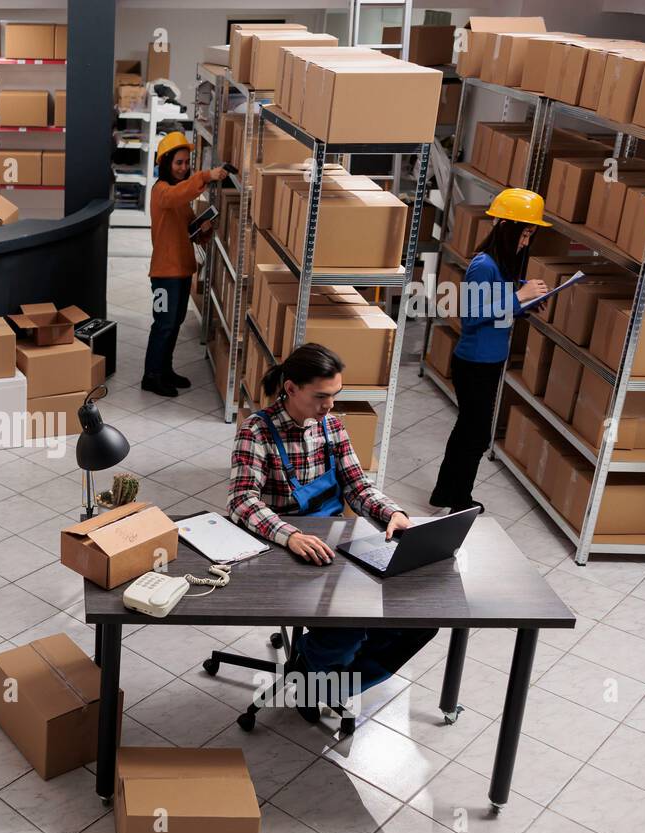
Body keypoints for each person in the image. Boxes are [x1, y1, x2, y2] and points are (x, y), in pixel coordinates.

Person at [227, 343, 436, 720]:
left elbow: (358, 486)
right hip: (283, 552)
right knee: (349, 627)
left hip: (335, 546)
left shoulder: (332, 427)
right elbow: (242, 501)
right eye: (321, 397)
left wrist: (393, 513)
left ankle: (322, 679)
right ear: (290, 389)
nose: (329, 406)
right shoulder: (256, 432)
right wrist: (289, 535)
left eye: (334, 396)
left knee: (418, 621)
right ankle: (314, 671)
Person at [431, 188, 551, 514]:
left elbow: (498, 311)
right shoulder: (483, 265)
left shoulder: (503, 266)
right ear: (508, 227)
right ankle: (458, 499)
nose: (526, 241)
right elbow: (471, 316)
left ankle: (448, 494)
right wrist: (519, 297)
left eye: (530, 234)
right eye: (524, 233)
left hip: (490, 361)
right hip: (474, 363)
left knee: (471, 430)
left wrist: (526, 305)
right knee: (475, 434)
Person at [143, 130, 228, 397]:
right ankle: (151, 376)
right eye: (178, 162)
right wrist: (204, 176)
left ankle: (164, 369)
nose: (183, 167)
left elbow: (188, 228)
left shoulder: (180, 196)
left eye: (186, 162)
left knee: (175, 323)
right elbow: (176, 196)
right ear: (165, 163)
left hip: (181, 270)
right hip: (164, 273)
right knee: (163, 324)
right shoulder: (161, 191)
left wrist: (202, 229)